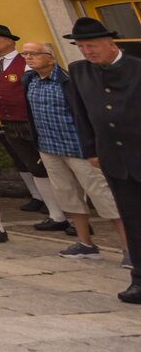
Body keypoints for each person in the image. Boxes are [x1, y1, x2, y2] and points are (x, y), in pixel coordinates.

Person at [59, 18, 141, 303]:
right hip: (114, 158)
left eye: (91, 46)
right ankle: (139, 280)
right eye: (81, 47)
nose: (87, 52)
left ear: (110, 42)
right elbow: (80, 113)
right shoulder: (79, 71)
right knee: (133, 220)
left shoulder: (136, 67)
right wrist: (91, 149)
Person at [20, 39, 123, 260]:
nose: (28, 58)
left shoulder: (68, 80)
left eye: (34, 54)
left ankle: (129, 249)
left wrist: (93, 147)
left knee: (103, 197)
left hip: (78, 148)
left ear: (50, 56)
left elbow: (87, 114)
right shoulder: (29, 80)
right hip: (49, 147)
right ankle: (85, 243)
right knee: (68, 197)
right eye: (25, 55)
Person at [0, 25, 63, 228]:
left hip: (31, 120)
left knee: (49, 165)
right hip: (7, 121)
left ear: (8, 40)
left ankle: (66, 210)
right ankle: (55, 213)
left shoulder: (25, 61)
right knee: (31, 164)